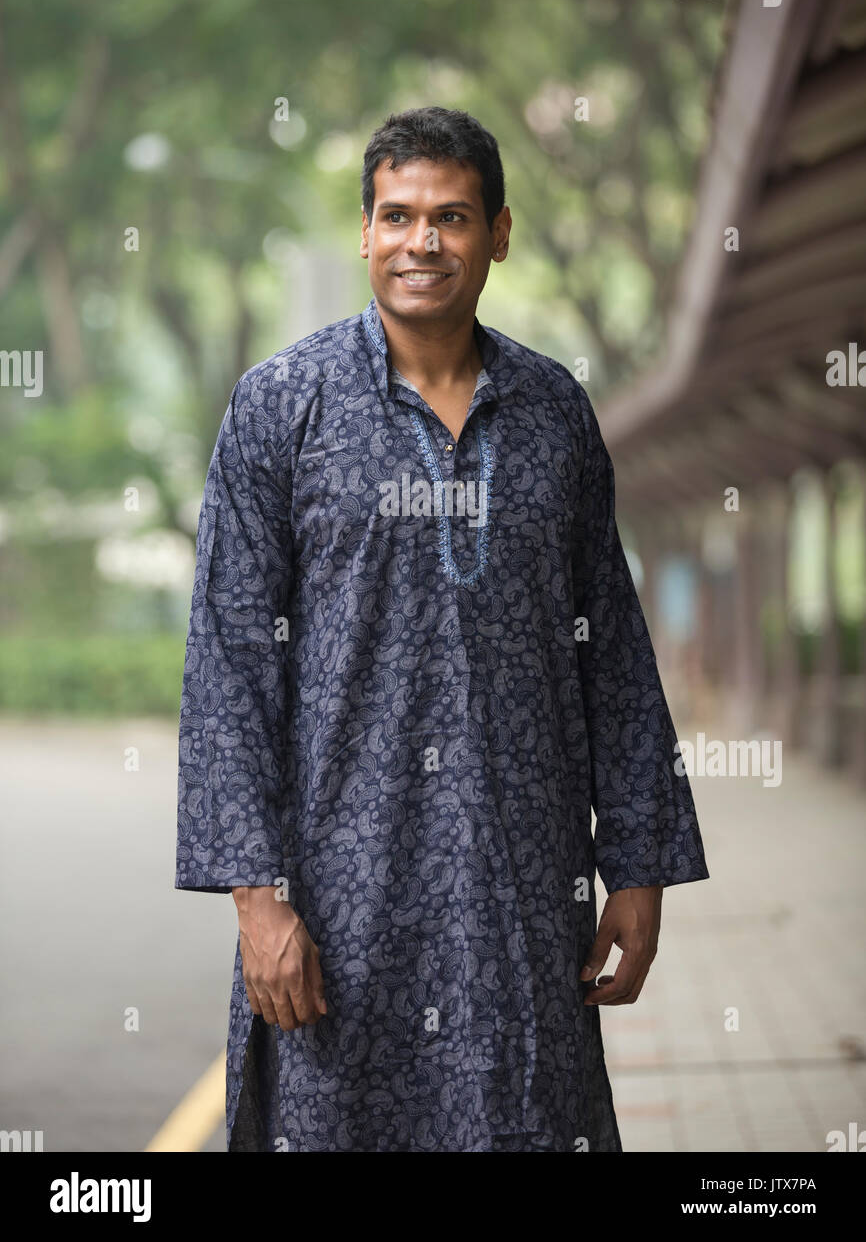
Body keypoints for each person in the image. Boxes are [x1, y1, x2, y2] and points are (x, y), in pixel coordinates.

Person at [175, 105, 710, 1152]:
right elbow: (230, 664)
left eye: (451, 217)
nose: (422, 242)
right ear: (366, 232)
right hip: (337, 904)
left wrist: (637, 868)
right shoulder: (280, 407)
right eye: (397, 216)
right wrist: (256, 900)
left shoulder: (553, 413)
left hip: (519, 890)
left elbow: (611, 651)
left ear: (497, 234)